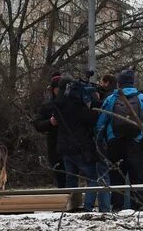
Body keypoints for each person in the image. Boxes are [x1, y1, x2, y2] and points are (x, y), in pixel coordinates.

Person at [97, 69, 143, 211]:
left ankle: (117, 207)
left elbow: (101, 123)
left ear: (119, 83)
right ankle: (139, 207)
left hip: (115, 143)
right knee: (137, 176)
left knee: (117, 177)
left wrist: (102, 141)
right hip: (136, 143)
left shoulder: (111, 99)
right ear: (132, 82)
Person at [53, 76, 111, 212]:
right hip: (79, 148)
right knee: (93, 177)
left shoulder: (57, 106)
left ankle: (70, 207)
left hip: (64, 148)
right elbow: (92, 119)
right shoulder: (77, 106)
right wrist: (95, 102)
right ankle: (88, 206)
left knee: (71, 179)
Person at [32, 72, 66, 188]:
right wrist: (49, 122)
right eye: (58, 89)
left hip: (72, 146)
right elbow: (37, 124)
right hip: (55, 145)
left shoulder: (72, 102)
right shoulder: (47, 105)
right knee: (60, 176)